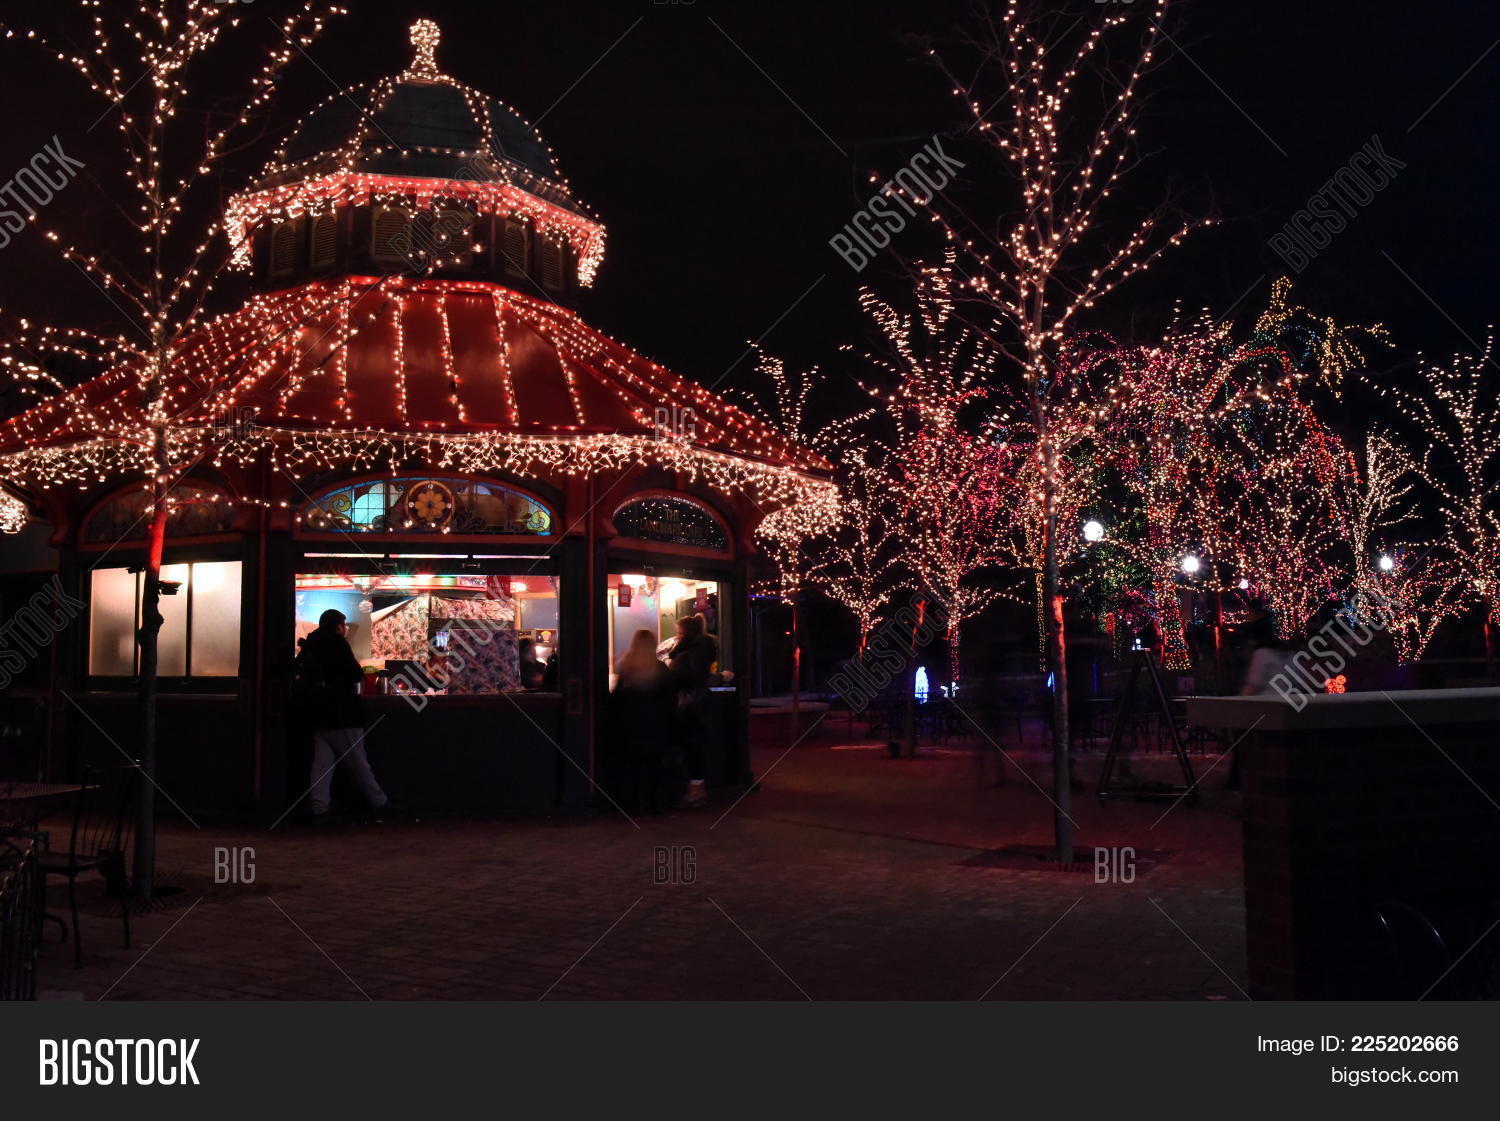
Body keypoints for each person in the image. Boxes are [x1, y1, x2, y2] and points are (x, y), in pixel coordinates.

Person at [293, 609, 394, 821]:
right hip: (344, 712)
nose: (345, 629)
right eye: (343, 625)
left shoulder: (311, 645)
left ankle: (319, 806)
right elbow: (355, 674)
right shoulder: (337, 645)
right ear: (337, 626)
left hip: (320, 713)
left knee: (321, 765)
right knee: (358, 762)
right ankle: (380, 802)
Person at [608, 629, 676, 813]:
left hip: (630, 727)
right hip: (656, 727)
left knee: (632, 768)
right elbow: (671, 701)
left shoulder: (627, 668)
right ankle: (654, 805)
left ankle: (634, 805)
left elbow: (616, 700)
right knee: (655, 768)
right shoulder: (660, 669)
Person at [668, 613, 718, 808]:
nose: (677, 636)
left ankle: (695, 792)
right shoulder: (699, 648)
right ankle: (695, 789)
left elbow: (692, 677)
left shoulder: (693, 650)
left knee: (692, 748)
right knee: (692, 747)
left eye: (679, 632)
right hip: (694, 704)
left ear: (688, 633)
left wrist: (674, 681)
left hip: (691, 705)